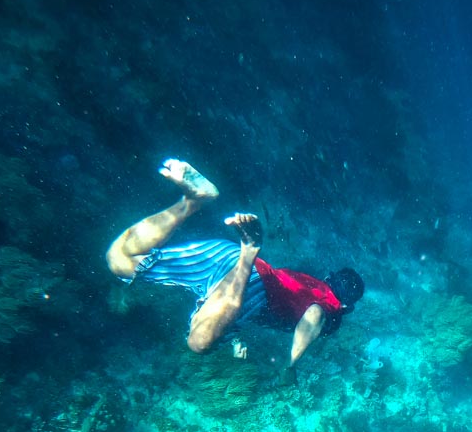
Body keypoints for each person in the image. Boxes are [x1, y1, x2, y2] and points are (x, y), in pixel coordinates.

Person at [106, 158, 364, 373]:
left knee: (119, 259)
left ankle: (193, 201)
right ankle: (248, 251)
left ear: (329, 277)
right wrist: (290, 366)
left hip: (227, 255)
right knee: (199, 342)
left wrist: (233, 338)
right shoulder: (332, 309)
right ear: (346, 306)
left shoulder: (313, 282)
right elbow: (314, 316)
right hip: (251, 285)